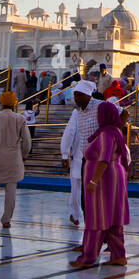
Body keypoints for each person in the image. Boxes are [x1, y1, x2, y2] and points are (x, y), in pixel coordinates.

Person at [70, 100, 131, 268]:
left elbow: (103, 159)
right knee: (112, 218)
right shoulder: (114, 131)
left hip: (104, 180)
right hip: (113, 177)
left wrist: (93, 181)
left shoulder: (106, 134)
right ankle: (119, 255)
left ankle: (88, 257)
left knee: (98, 217)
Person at [0, 91, 31, 228]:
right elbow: (27, 141)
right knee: (11, 188)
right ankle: (6, 219)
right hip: (13, 157)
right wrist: (23, 155)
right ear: (14, 103)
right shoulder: (19, 119)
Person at [59, 80, 99, 226]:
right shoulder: (78, 112)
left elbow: (69, 133)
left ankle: (78, 216)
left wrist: (64, 153)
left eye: (78, 95)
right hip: (81, 158)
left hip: (94, 159)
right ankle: (77, 216)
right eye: (74, 94)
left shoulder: (98, 108)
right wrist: (64, 153)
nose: (75, 98)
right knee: (79, 190)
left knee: (80, 190)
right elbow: (69, 133)